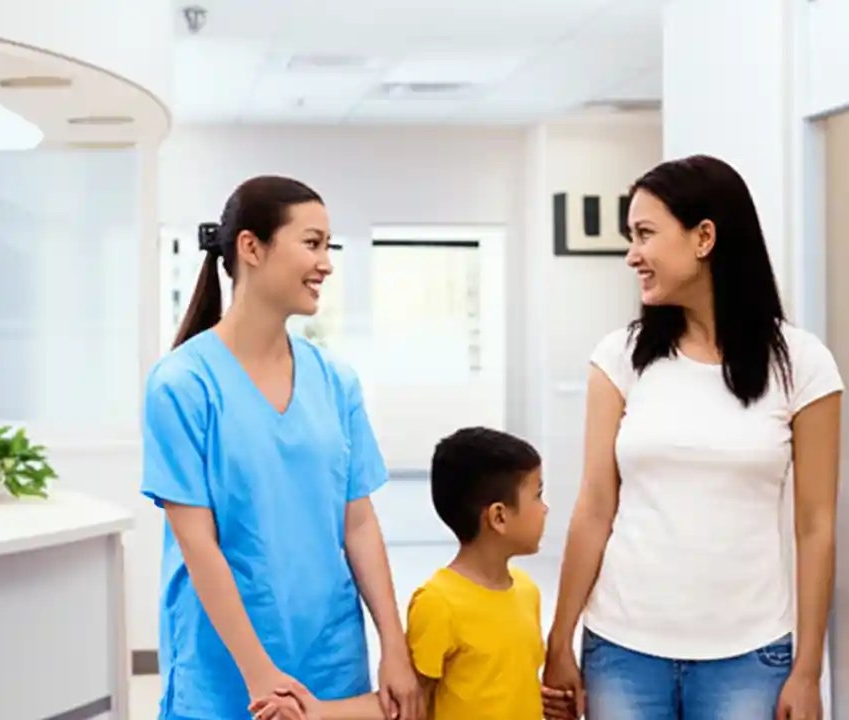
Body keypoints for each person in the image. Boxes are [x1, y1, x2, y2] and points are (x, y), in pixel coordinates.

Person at [541, 155, 844, 720]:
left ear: (704, 236)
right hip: (623, 647)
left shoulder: (803, 364)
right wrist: (559, 641)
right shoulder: (619, 357)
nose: (632, 254)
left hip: (751, 655)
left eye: (645, 234)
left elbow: (816, 526)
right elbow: (594, 508)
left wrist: (808, 670)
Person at [141, 176, 422, 720]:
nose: (327, 263)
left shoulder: (334, 382)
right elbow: (198, 545)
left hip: (330, 653)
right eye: (312, 243)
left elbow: (358, 522)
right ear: (251, 247)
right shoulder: (182, 384)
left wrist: (394, 644)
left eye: (328, 246)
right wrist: (260, 675)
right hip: (225, 663)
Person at [251, 426, 555, 720]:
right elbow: (406, 701)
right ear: (498, 516)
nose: (545, 508)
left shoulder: (528, 592)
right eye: (537, 495)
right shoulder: (439, 604)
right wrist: (317, 713)